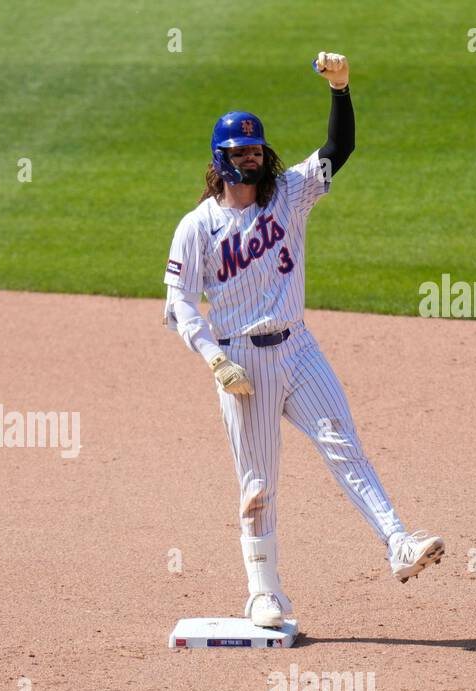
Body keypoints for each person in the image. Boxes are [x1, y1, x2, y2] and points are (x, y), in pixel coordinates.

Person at [162, 52, 444, 629]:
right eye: (240, 153)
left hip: (299, 348)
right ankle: (264, 594)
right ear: (221, 160)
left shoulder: (290, 193)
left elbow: (339, 151)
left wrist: (340, 90)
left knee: (344, 445)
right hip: (241, 362)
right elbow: (179, 302)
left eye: (257, 151)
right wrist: (215, 359)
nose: (252, 159)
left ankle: (397, 542)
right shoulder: (199, 227)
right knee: (258, 485)